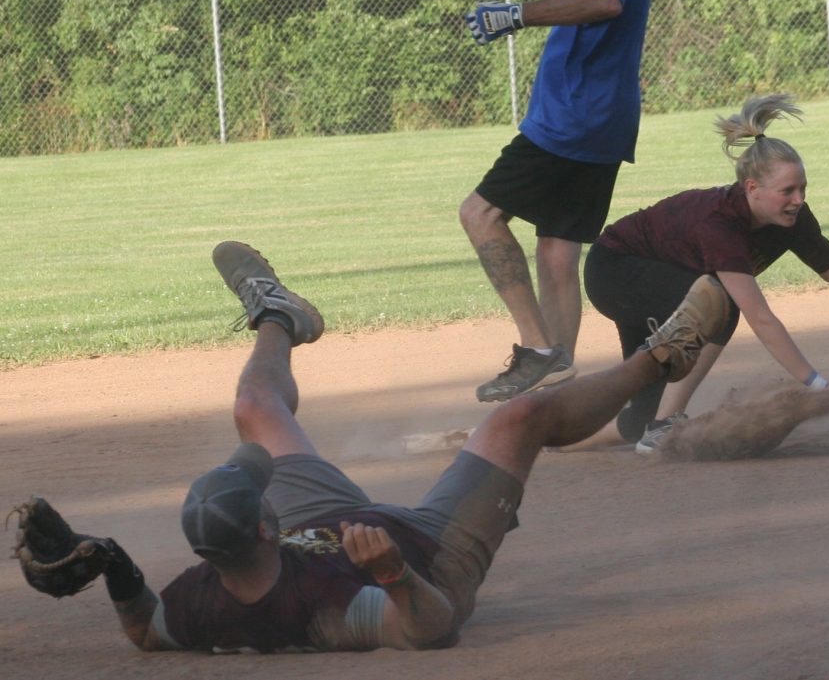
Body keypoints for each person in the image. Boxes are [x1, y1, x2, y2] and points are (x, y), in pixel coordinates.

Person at [98, 239, 728, 653]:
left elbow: (146, 630)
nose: (258, 478)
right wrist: (394, 574)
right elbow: (429, 630)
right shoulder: (325, 606)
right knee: (521, 417)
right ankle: (662, 359)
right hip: (429, 556)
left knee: (253, 409)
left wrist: (111, 568)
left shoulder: (200, 596)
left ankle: (278, 314)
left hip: (325, 524)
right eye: (255, 492)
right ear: (266, 529)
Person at [417, 0, 653, 402]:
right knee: (556, 251)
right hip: (596, 123)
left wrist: (516, 18)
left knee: (480, 214)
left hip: (574, 121)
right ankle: (555, 390)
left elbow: (605, 1)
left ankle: (538, 352)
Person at [575, 94, 829, 456]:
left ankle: (549, 438)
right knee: (722, 304)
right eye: (787, 191)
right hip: (616, 271)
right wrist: (819, 384)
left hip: (653, 278)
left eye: (802, 189)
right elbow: (760, 318)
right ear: (752, 189)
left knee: (639, 413)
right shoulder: (719, 224)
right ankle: (665, 424)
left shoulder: (789, 217)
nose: (798, 199)